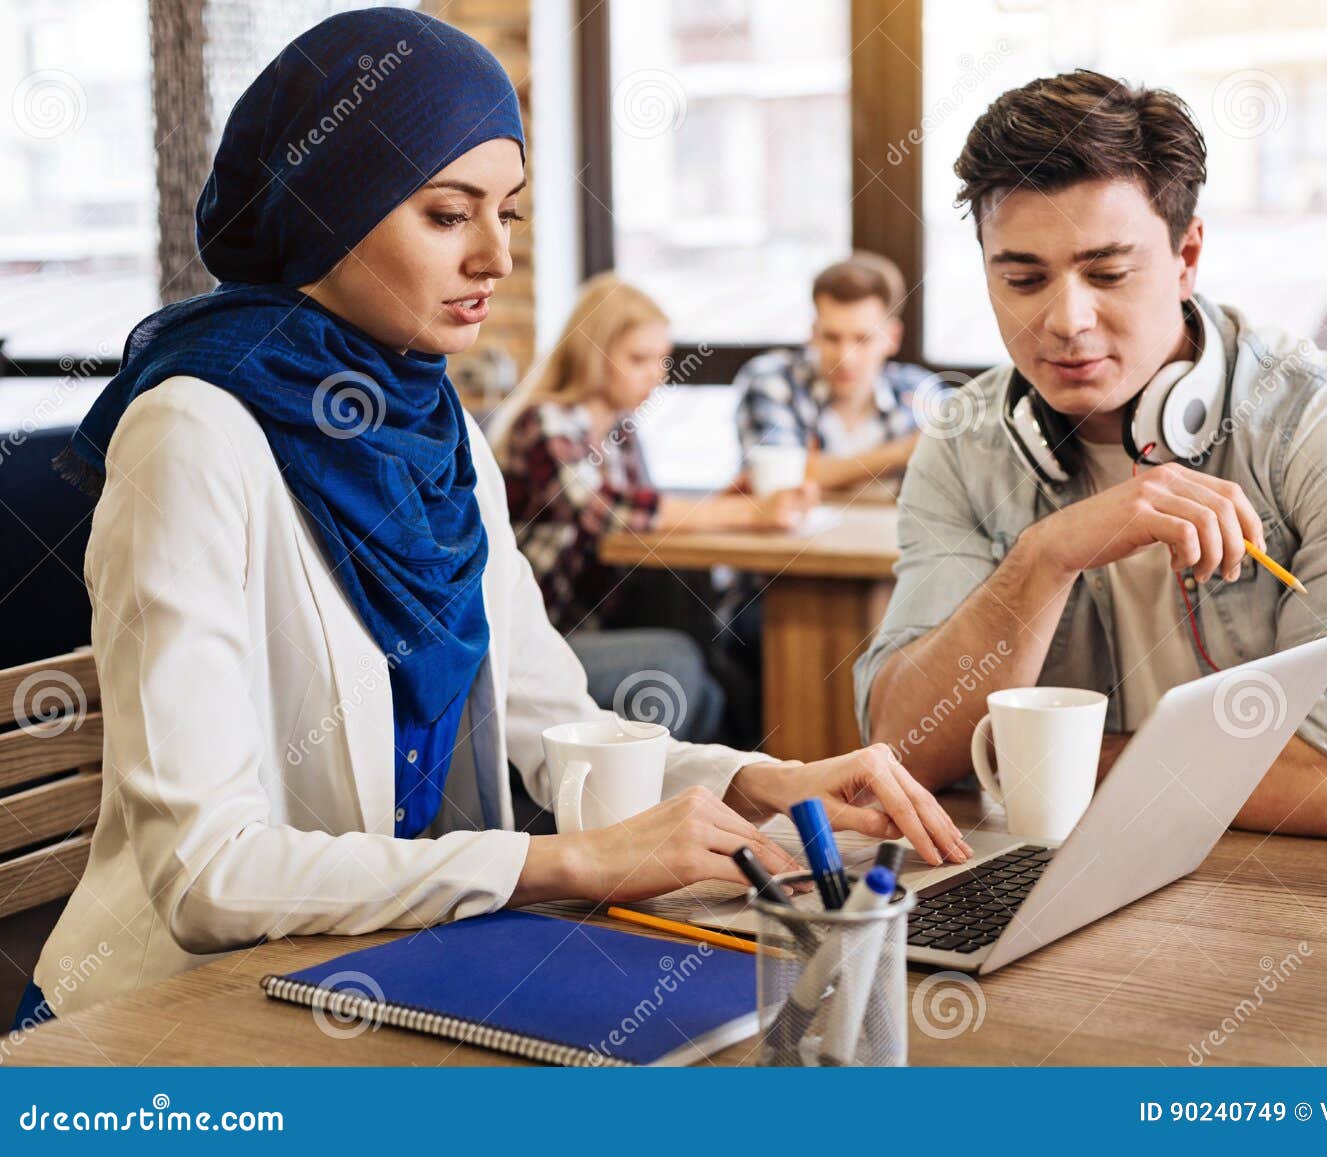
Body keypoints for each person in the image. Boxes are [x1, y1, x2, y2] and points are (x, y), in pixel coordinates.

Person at [17, 9, 969, 1030]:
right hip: (165, 1022)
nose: (496, 257)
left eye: (507, 213)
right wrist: (566, 859)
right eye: (446, 214)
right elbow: (209, 874)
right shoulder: (190, 434)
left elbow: (550, 715)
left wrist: (759, 780)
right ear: (328, 209)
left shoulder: (443, 433)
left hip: (377, 978)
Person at [855, 70, 1327, 842]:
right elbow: (903, 747)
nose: (1067, 320)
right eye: (1023, 278)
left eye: (1107, 273)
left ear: (1187, 255)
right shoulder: (964, 443)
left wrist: (1046, 754)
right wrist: (1046, 556)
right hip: (1098, 882)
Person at [487, 273, 815, 743]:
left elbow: (645, 520)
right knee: (681, 662)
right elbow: (613, 511)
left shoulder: (620, 430)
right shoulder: (544, 424)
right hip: (540, 639)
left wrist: (726, 503)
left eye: (662, 360)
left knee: (715, 675)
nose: (657, 375)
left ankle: (740, 768)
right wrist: (754, 514)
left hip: (596, 616)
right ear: (592, 354)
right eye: (638, 359)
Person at [735, 252, 935, 491]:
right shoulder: (773, 382)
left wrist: (816, 472)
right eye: (831, 337)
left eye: (862, 339)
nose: (845, 358)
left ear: (893, 338)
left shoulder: (921, 391)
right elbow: (777, 481)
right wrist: (902, 452)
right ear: (813, 333)